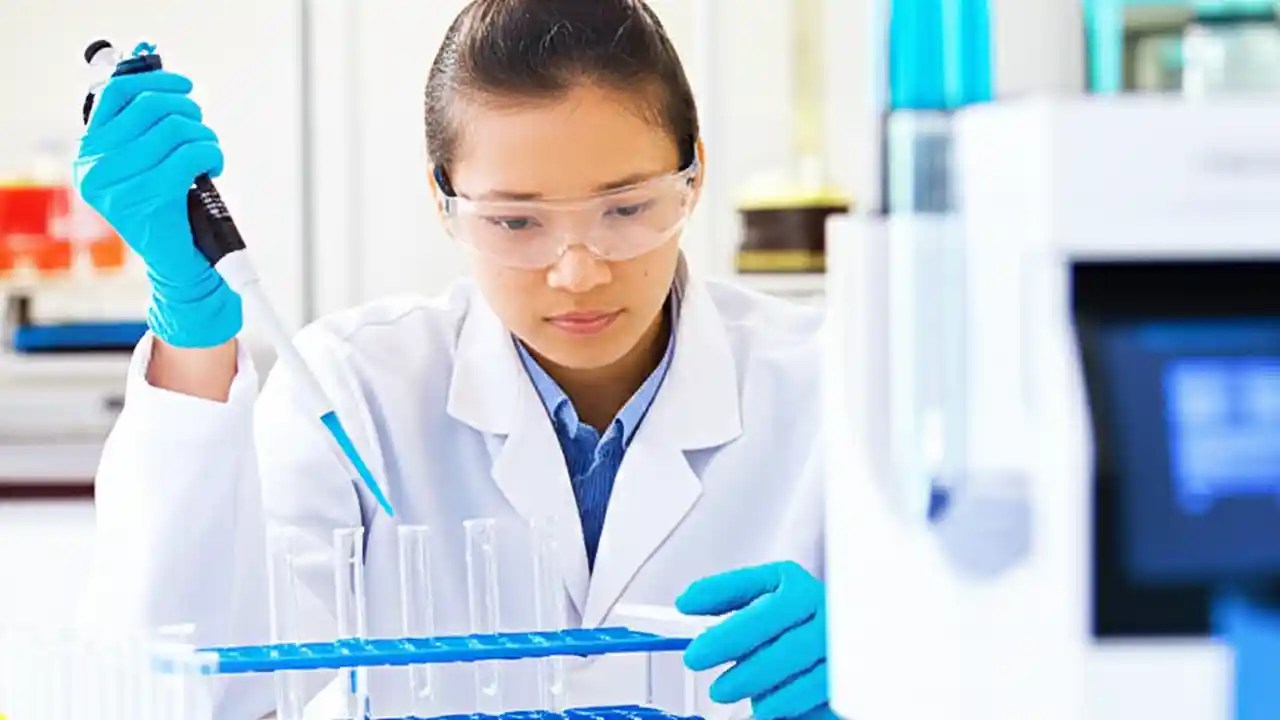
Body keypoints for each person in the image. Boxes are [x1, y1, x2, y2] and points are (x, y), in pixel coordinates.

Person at [74, 0, 828, 717]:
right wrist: (193, 337)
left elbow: (941, 653)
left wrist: (891, 664)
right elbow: (201, 691)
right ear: (444, 201)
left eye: (626, 209)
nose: (578, 272)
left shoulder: (831, 386)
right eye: (515, 220)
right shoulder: (352, 388)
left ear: (693, 176)